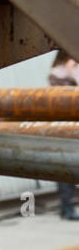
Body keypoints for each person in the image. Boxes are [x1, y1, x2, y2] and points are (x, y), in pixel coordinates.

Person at [49, 50, 78, 220]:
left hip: (67, 127)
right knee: (67, 167)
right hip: (66, 128)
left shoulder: (60, 73)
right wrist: (71, 71)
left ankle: (66, 208)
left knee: (66, 168)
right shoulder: (60, 74)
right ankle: (67, 208)